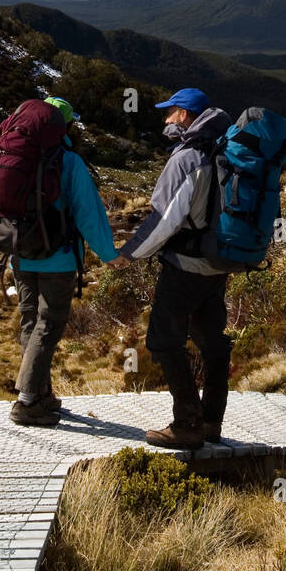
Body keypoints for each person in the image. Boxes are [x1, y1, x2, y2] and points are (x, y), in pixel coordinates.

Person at [119, 88, 232, 449]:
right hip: (220, 263)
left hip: (185, 265)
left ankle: (187, 424)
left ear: (184, 115)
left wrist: (128, 254)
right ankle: (211, 421)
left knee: (164, 341)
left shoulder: (187, 157)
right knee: (212, 341)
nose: (166, 119)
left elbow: (163, 220)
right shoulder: (226, 150)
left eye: (170, 113)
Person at [10, 96, 125, 428]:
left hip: (20, 256)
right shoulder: (68, 162)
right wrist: (108, 254)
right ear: (64, 126)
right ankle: (28, 402)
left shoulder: (17, 156)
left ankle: (41, 394)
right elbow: (89, 213)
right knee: (48, 326)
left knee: (31, 324)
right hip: (57, 259)